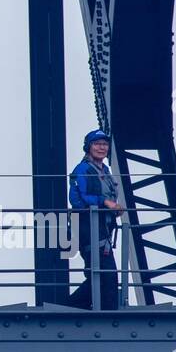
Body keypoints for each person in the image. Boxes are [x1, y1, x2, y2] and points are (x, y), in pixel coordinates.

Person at [67, 128, 122, 310]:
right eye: (97, 144)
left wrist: (114, 208)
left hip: (102, 228)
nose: (101, 147)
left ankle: (74, 307)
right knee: (106, 275)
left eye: (105, 144)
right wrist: (105, 202)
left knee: (102, 275)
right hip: (88, 226)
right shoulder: (83, 169)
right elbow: (78, 199)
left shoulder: (103, 170)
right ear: (88, 147)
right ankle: (101, 312)